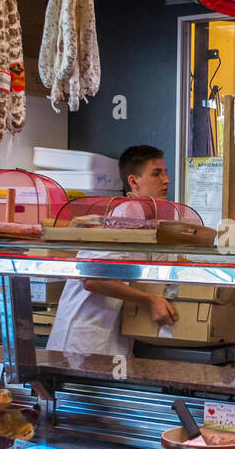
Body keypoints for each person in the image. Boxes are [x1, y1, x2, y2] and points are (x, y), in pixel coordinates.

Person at [46, 145, 178, 357]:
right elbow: (94, 280)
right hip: (83, 338)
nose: (166, 180)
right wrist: (150, 300)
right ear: (134, 181)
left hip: (111, 337)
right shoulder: (126, 214)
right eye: (156, 173)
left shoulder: (151, 218)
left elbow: (165, 264)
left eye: (165, 172)